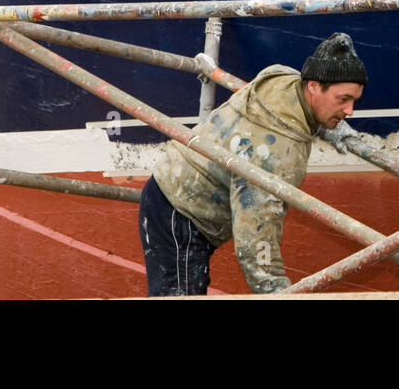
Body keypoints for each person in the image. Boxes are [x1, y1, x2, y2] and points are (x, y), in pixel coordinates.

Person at [137, 31, 366, 295]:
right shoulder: (275, 154)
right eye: (343, 100)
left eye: (353, 101)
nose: (350, 111)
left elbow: (303, 96)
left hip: (178, 184)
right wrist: (275, 291)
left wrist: (331, 122)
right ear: (313, 86)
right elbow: (255, 236)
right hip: (180, 211)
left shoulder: (281, 78)